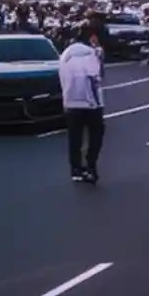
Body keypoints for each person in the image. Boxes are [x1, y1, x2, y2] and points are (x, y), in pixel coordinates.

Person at [59, 25, 105, 184]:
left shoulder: (65, 55)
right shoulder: (91, 53)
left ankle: (76, 169)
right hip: (91, 103)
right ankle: (91, 165)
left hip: (71, 101)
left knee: (74, 138)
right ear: (91, 37)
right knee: (96, 135)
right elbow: (96, 77)